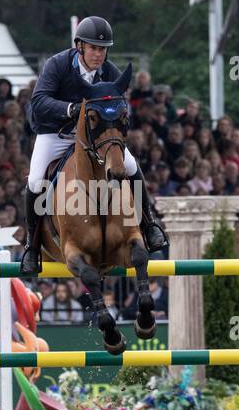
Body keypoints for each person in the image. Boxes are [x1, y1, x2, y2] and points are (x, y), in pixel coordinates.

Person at [20, 16, 168, 275]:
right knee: (34, 181)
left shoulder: (109, 72)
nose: (99, 54)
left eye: (103, 49)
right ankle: (32, 247)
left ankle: (150, 224)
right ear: (80, 47)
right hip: (55, 134)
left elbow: (119, 107)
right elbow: (40, 101)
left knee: (131, 165)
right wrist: (71, 109)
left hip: (94, 140)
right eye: (94, 48)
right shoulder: (57, 65)